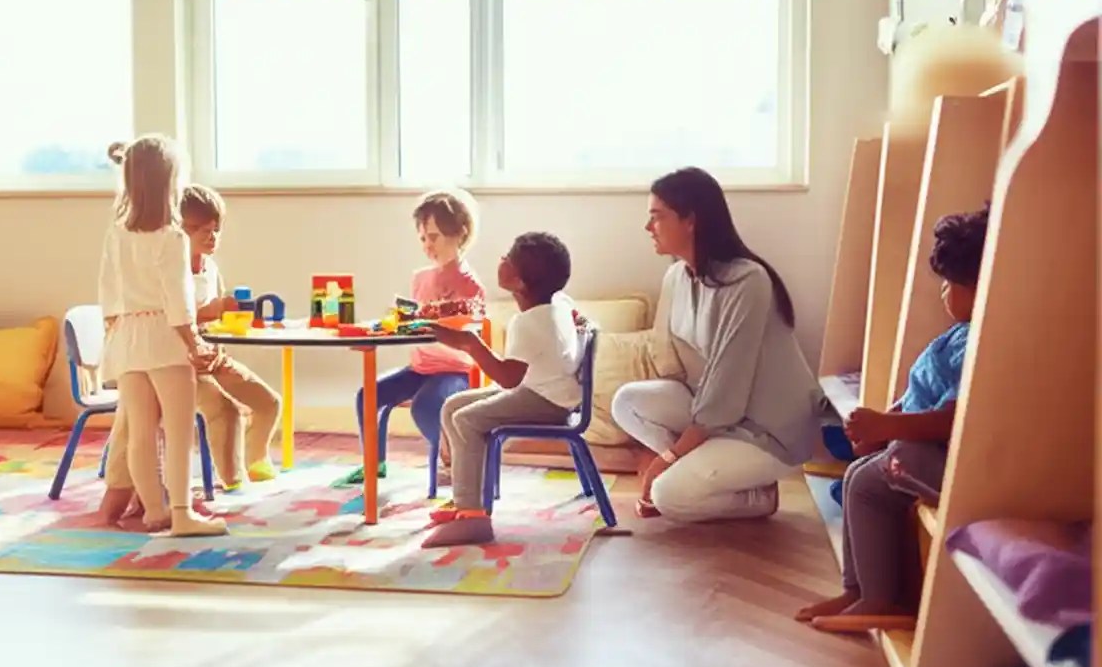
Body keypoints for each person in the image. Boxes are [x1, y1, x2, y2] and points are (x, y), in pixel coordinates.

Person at [796, 205, 989, 633]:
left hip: (956, 462)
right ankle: (859, 588)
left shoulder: (980, 339)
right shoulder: (959, 333)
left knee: (869, 482)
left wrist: (888, 429)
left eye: (951, 284)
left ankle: (880, 598)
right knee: (855, 475)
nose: (943, 294)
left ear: (982, 287)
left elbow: (956, 418)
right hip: (921, 445)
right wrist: (886, 424)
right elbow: (925, 394)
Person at [611, 167, 822, 522]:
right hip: (719, 413)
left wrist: (669, 458)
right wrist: (672, 454)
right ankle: (700, 467)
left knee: (668, 496)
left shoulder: (748, 281)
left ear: (690, 220)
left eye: (657, 217)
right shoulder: (677, 276)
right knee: (627, 402)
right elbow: (676, 362)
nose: (649, 228)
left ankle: (757, 497)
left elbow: (727, 384)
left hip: (768, 430)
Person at [98, 185, 284, 524]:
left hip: (204, 355)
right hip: (169, 357)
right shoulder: (165, 255)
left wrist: (222, 327)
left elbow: (207, 319)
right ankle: (149, 499)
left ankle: (245, 469)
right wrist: (204, 319)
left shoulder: (209, 268)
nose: (210, 237)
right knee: (174, 419)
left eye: (216, 230)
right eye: (201, 230)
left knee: (268, 401)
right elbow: (170, 313)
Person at [96, 136, 227, 537]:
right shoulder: (172, 236)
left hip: (127, 336)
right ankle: (183, 512)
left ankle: (155, 510)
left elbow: (107, 292)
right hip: (164, 338)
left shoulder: (117, 232)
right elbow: (178, 301)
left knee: (140, 432)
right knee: (178, 430)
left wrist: (115, 331)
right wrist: (195, 345)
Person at [423, 231, 583, 547]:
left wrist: (470, 344)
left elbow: (508, 378)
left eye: (508, 258)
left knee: (467, 420)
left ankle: (473, 518)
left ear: (519, 283)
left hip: (548, 401)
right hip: (547, 391)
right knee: (454, 405)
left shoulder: (529, 323)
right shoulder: (557, 303)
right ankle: (465, 497)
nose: (501, 260)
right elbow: (574, 315)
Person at [336, 188, 486, 486]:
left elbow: (468, 333)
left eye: (434, 237)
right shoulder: (420, 278)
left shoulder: (470, 284)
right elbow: (414, 322)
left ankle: (455, 459)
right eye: (422, 238)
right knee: (367, 395)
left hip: (455, 371)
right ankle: (373, 463)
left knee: (426, 405)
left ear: (460, 233)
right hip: (420, 368)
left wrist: (433, 319)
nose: (427, 245)